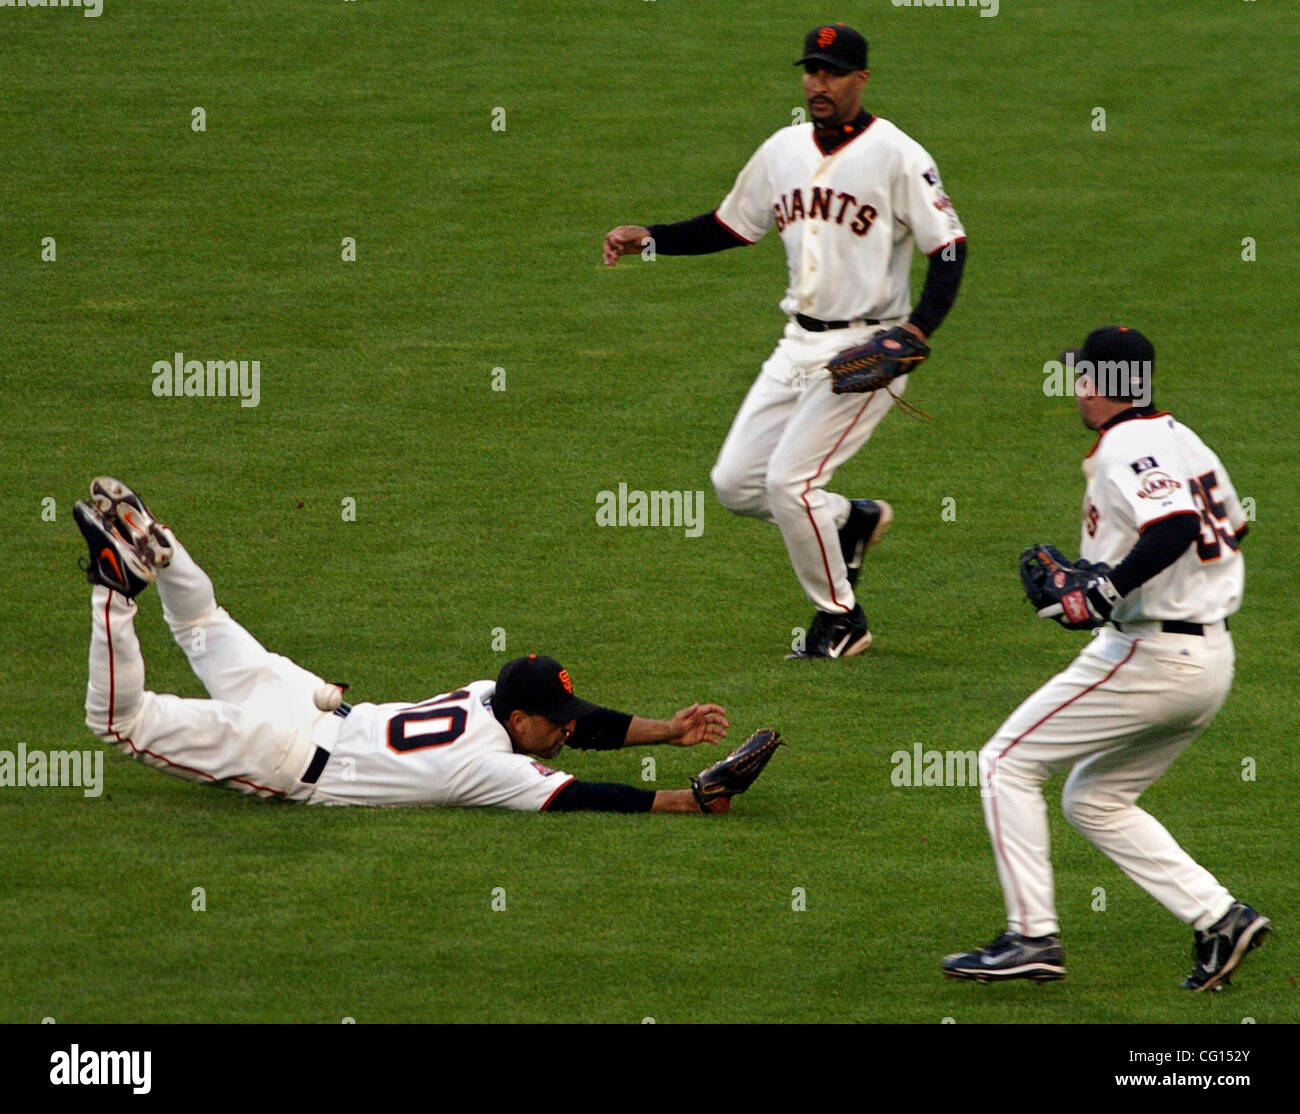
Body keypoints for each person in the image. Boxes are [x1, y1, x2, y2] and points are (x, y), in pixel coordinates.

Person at [603, 22, 967, 658]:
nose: (817, 83)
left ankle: (841, 617)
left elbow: (950, 247)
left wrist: (915, 331)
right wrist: (653, 237)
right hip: (797, 344)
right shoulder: (783, 149)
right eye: (811, 70)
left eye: (831, 72)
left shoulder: (900, 156)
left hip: (868, 348)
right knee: (736, 483)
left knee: (787, 484)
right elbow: (731, 226)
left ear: (861, 79)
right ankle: (848, 522)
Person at [73, 477, 756, 815]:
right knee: (118, 721)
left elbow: (586, 725)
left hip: (301, 701)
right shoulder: (488, 766)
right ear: (520, 722)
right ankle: (114, 586)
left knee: (202, 621)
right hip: (286, 751)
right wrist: (683, 799)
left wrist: (666, 732)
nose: (568, 729)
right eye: (557, 720)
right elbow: (582, 795)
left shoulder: (485, 693)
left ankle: (160, 547)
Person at [943, 327, 1271, 992]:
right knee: (1095, 798)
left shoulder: (1128, 445)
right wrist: (1098, 583)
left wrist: (1105, 589)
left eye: (1082, 376)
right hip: (1208, 660)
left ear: (1102, 385)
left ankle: (1031, 937)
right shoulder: (1183, 438)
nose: (1075, 388)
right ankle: (1219, 918)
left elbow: (1175, 526)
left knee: (1005, 761)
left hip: (1150, 653)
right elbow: (1229, 527)